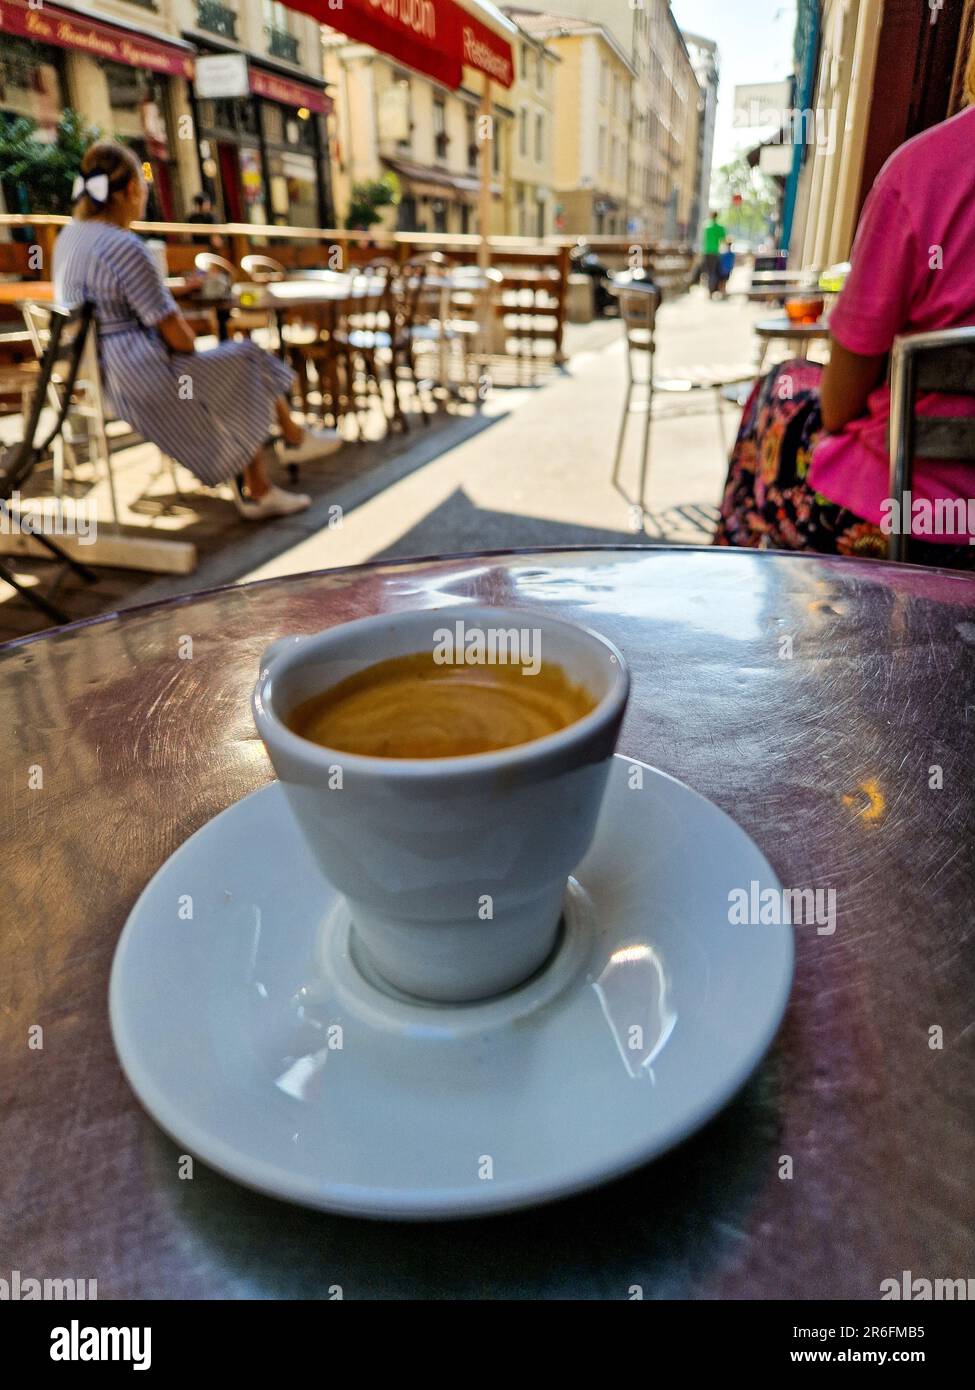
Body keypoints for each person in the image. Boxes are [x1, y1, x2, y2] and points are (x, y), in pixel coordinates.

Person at [715, 97, 975, 566]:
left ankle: (730, 574)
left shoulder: (924, 172)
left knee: (776, 391)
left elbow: (837, 409)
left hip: (900, 517)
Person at [53, 142, 339, 520]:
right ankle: (289, 444)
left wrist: (169, 294)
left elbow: (106, 303)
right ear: (131, 192)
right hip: (137, 378)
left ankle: (268, 474)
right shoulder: (125, 245)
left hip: (90, 375)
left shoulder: (67, 240)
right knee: (244, 357)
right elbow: (181, 340)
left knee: (232, 367)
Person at [701, 210, 726, 298]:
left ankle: (709, 291)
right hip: (715, 252)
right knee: (714, 272)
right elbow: (723, 239)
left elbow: (703, 240)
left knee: (708, 272)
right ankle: (712, 290)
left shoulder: (707, 227)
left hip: (707, 252)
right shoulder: (720, 228)